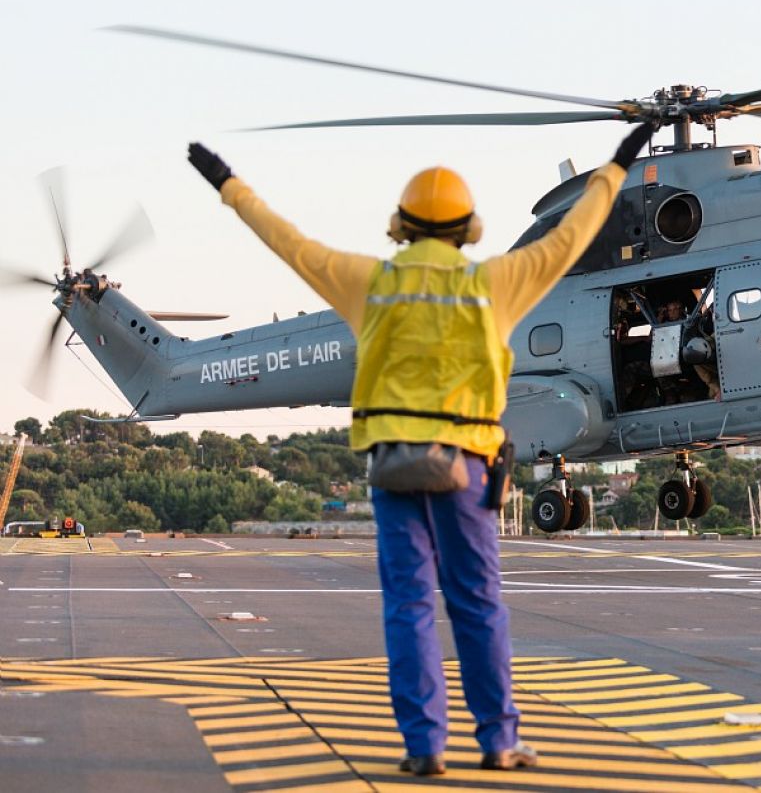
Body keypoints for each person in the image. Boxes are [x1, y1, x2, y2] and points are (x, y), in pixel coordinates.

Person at [186, 122, 654, 777]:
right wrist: (619, 163)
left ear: (400, 225)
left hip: (393, 465)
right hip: (465, 467)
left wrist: (225, 183)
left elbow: (286, 241)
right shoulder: (497, 282)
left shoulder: (368, 283)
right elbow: (573, 232)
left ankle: (423, 745)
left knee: (407, 605)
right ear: (469, 229)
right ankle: (497, 740)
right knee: (477, 602)